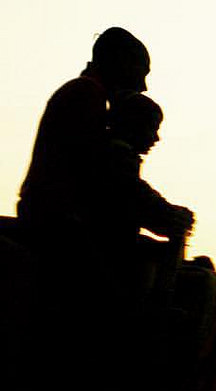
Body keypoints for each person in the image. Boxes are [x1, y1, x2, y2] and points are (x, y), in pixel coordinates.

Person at [17, 27, 151, 256]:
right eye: (140, 73)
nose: (143, 87)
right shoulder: (86, 94)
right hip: (57, 219)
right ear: (119, 64)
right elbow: (99, 173)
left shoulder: (87, 94)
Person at [97, 91, 194, 300]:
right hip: (108, 248)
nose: (156, 138)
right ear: (134, 125)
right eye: (153, 129)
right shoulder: (116, 157)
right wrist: (171, 216)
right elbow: (134, 195)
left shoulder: (116, 156)